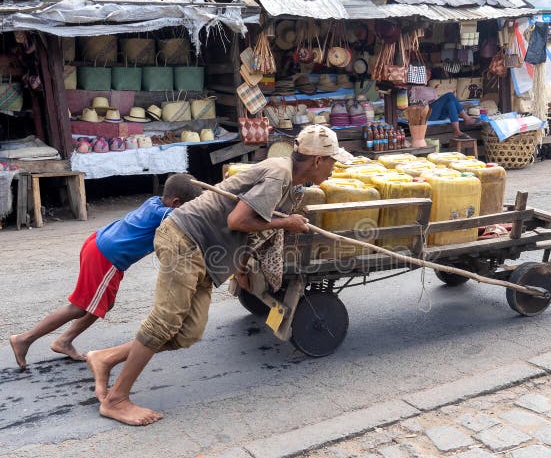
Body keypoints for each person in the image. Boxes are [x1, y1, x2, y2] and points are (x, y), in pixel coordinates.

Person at [86, 125, 353, 426]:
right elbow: (238, 220)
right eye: (333, 162)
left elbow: (248, 225)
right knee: (164, 323)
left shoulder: (290, 183)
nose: (334, 169)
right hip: (186, 239)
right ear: (318, 160)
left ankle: (106, 358)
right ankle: (116, 400)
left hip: (207, 253)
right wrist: (286, 223)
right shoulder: (280, 173)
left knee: (188, 332)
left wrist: (241, 266)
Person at [9, 174, 202, 370]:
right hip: (106, 256)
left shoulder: (154, 202)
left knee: (103, 304)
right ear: (176, 203)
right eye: (186, 205)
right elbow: (192, 216)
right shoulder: (166, 214)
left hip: (99, 243)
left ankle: (64, 341)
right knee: (79, 308)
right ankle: (24, 339)